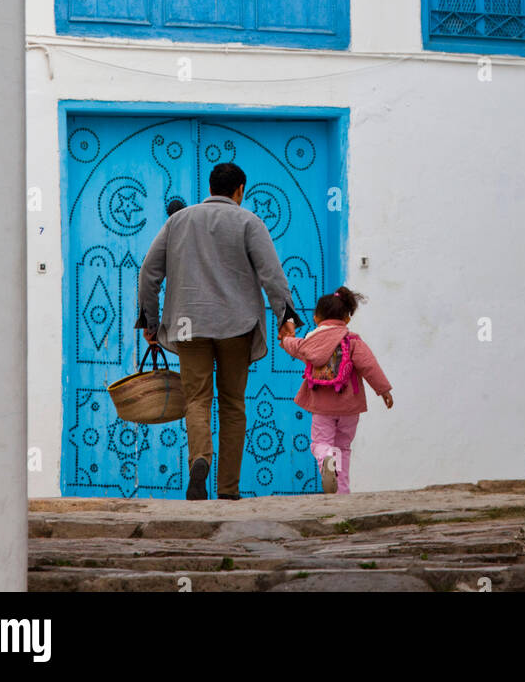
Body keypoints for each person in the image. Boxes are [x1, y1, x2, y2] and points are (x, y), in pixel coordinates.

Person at [135, 162, 300, 501]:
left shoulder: (177, 222)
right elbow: (272, 273)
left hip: (187, 323)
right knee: (232, 403)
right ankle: (228, 489)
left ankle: (199, 461)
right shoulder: (248, 222)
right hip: (236, 325)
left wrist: (150, 322)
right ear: (240, 189)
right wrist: (285, 315)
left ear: (211, 187)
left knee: (196, 399)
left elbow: (148, 273)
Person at [279, 286, 393, 494]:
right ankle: (342, 490)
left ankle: (325, 459)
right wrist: (383, 390)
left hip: (322, 405)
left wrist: (285, 340)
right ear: (346, 319)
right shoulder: (353, 341)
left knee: (321, 443)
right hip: (350, 406)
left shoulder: (311, 341)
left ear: (316, 318)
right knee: (343, 448)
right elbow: (370, 366)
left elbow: (296, 346)